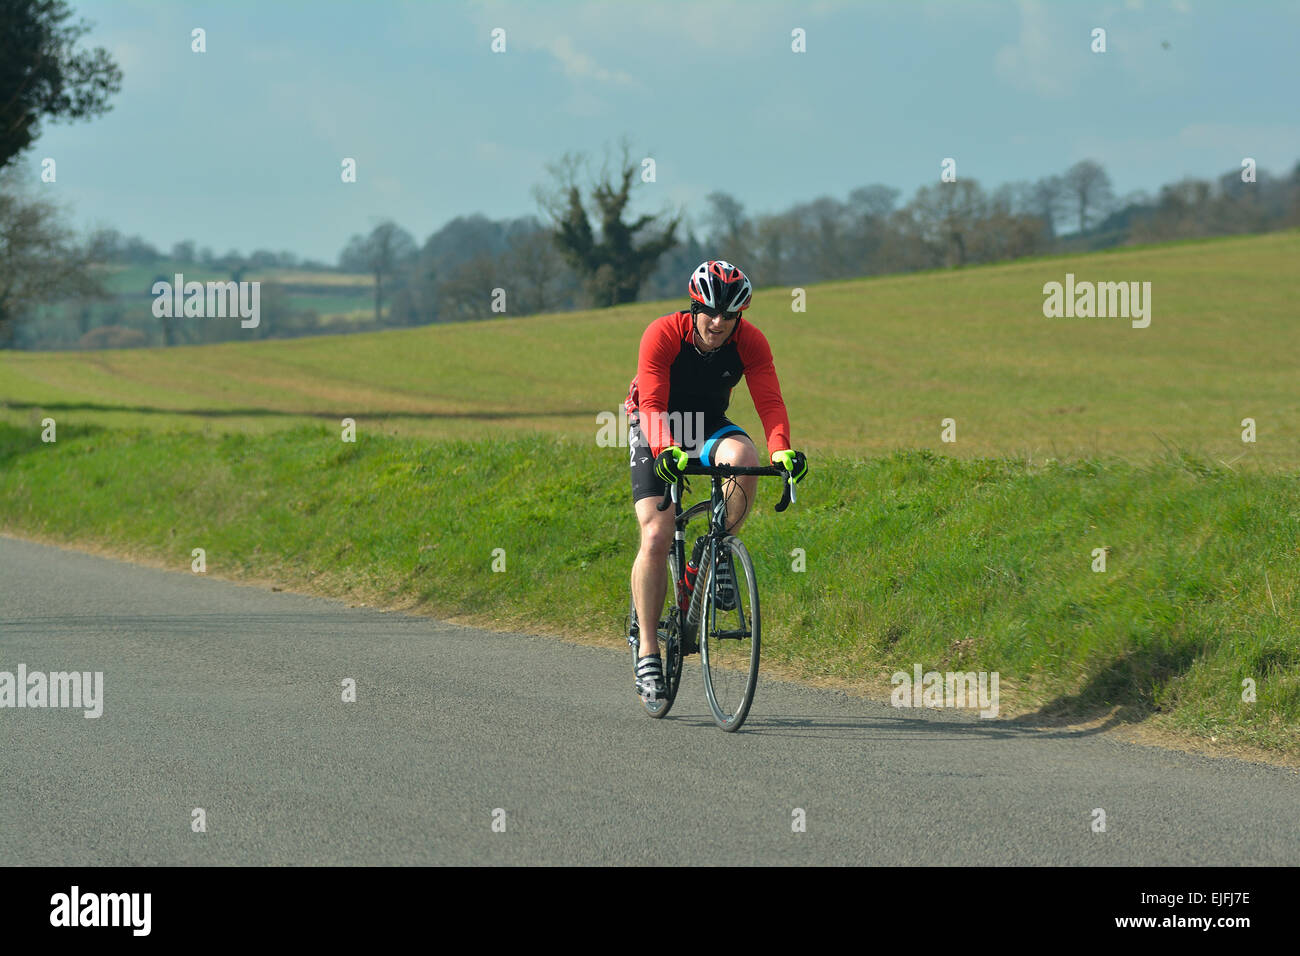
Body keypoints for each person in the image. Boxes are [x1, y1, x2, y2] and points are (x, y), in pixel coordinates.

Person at [623, 259, 808, 700]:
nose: (719, 322)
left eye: (729, 314)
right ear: (693, 307)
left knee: (745, 457)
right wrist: (667, 447)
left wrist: (782, 448)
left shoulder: (751, 342)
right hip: (656, 424)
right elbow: (650, 402)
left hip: (707, 424)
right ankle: (649, 650)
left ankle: (713, 555)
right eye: (710, 311)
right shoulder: (662, 333)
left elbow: (769, 400)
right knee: (656, 533)